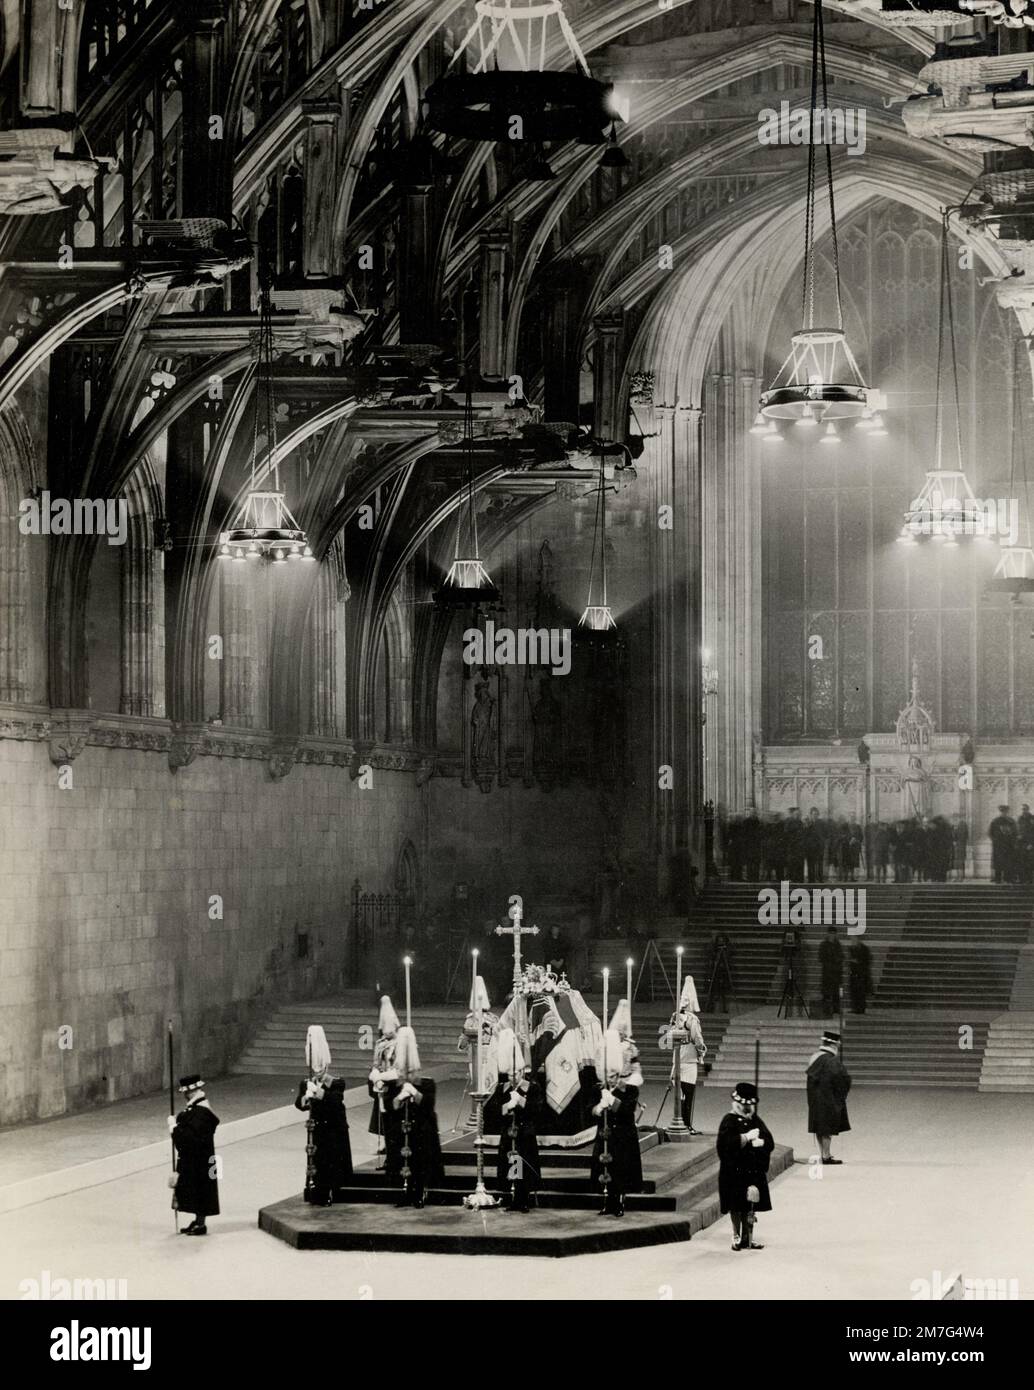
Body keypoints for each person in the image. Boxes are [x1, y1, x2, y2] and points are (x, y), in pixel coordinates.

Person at [590, 1008, 643, 1217]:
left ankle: (620, 1201)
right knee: (606, 1170)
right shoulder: (599, 1088)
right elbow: (591, 1110)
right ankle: (607, 1202)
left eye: (613, 1075)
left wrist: (612, 1101)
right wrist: (599, 1107)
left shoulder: (629, 1089)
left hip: (623, 1135)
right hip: (606, 1134)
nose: (610, 1079)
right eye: (608, 1075)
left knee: (621, 1170)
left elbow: (628, 1110)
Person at [295, 1026, 352, 1205]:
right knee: (318, 1161)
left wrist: (319, 1092)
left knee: (332, 1161)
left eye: (320, 1067)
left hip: (333, 1128)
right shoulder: (307, 1083)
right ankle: (317, 1191)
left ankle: (330, 1192)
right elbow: (299, 1104)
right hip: (318, 1128)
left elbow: (335, 1101)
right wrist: (306, 1096)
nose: (317, 1070)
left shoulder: (336, 1082)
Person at [716, 1081, 774, 1251]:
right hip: (734, 1171)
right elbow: (724, 1145)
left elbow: (769, 1142)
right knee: (736, 1205)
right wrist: (746, 1138)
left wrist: (762, 1142)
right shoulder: (729, 1120)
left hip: (752, 1171)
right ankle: (736, 1235)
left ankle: (748, 1237)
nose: (748, 1109)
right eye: (744, 1106)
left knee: (750, 1206)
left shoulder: (756, 1120)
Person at [392, 1023, 444, 1207]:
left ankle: (420, 1192)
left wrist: (414, 1092)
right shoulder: (397, 1085)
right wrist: (400, 1096)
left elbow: (429, 1105)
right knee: (404, 1162)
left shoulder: (426, 1085)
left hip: (421, 1130)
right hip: (404, 1128)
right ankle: (405, 1192)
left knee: (420, 1164)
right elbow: (393, 1106)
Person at [494, 1027, 543, 1213]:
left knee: (523, 1164)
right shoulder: (504, 1088)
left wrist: (520, 1100)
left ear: (522, 1071)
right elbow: (496, 1112)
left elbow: (536, 1110)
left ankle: (524, 1198)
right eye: (510, 1074)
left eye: (515, 1074)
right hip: (509, 1132)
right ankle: (513, 1198)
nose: (512, 1078)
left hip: (525, 1132)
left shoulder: (532, 1087)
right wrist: (508, 1105)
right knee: (510, 1165)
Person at [169, 1074, 219, 1236]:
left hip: (200, 1160)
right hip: (197, 1159)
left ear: (191, 1092)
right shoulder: (196, 1109)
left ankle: (201, 1224)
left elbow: (188, 1138)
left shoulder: (201, 1112)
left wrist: (174, 1128)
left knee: (201, 1190)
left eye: (185, 1093)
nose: (184, 1096)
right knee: (196, 1189)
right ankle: (198, 1221)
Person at [662, 976, 707, 1134]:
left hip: (678, 1058)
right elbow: (697, 1039)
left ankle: (680, 1121)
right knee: (688, 1095)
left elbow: (668, 1038)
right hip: (689, 1059)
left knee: (680, 1095)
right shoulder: (692, 1019)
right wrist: (702, 1051)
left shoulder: (674, 1017)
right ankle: (687, 1124)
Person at [368, 995, 402, 1177]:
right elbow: (375, 1063)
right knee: (383, 1120)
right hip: (382, 1085)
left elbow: (398, 1068)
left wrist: (383, 1076)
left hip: (394, 1083)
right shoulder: (380, 1044)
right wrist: (375, 1076)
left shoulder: (399, 1043)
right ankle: (387, 1153)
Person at [806, 1028, 851, 1164]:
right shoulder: (832, 1060)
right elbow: (841, 1079)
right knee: (827, 1128)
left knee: (820, 1128)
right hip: (829, 1098)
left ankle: (824, 1154)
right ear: (834, 1045)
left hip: (815, 1098)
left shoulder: (815, 1057)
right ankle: (826, 1156)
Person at [818, 924, 843, 1017]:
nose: (832, 935)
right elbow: (821, 957)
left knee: (836, 992)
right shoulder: (824, 945)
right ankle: (826, 1009)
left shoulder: (838, 945)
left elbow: (841, 957)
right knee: (826, 992)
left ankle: (836, 1009)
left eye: (834, 933)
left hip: (836, 972)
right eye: (831, 933)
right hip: (827, 972)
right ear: (828, 934)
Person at [989, 805, 1017, 884]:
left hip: (1008, 846)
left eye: (1005, 811)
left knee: (1008, 862)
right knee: (998, 862)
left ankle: (1007, 878)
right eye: (1002, 811)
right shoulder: (995, 821)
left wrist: (1012, 842)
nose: (1003, 813)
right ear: (1000, 812)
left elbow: (1015, 833)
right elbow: (990, 833)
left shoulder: (1011, 821)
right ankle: (998, 878)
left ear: (1007, 812)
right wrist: (995, 841)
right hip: (998, 846)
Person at [847, 938, 872, 1014]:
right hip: (854, 974)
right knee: (854, 992)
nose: (853, 941)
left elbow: (867, 961)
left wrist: (858, 961)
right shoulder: (852, 949)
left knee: (861, 993)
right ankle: (855, 1008)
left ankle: (861, 1008)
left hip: (861, 974)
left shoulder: (864, 949)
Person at [952, 813, 969, 880]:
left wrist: (955, 831)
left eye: (954, 818)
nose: (954, 820)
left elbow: (959, 836)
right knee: (959, 861)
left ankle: (960, 877)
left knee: (960, 861)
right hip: (960, 845)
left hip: (960, 845)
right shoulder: (960, 825)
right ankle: (960, 876)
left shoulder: (961, 825)